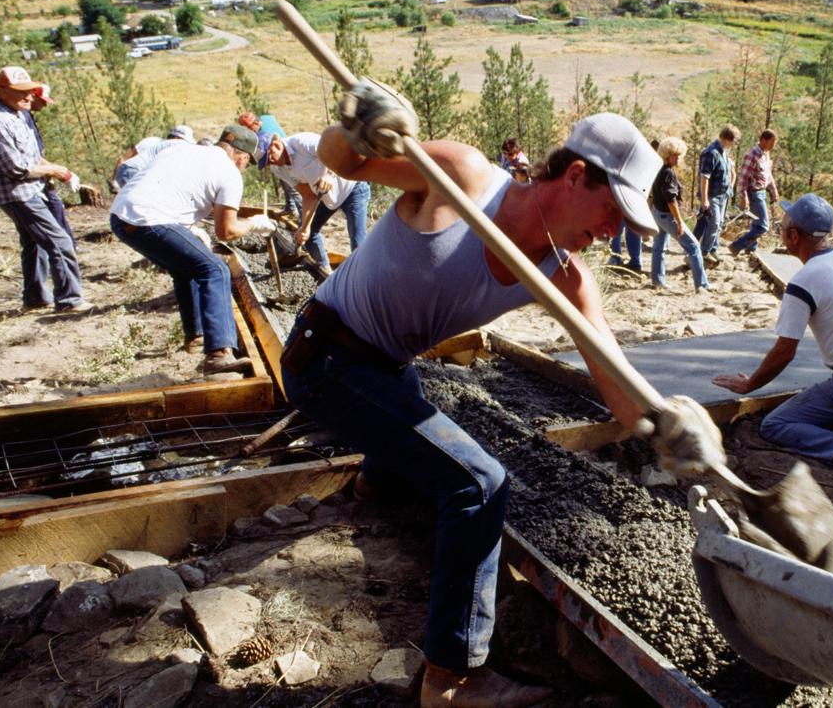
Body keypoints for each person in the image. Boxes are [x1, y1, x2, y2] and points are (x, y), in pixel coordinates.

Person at [282, 87, 719, 707]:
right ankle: (452, 681)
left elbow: (617, 384)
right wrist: (355, 125)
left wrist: (669, 427)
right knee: (479, 483)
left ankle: (371, 488)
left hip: (385, 366)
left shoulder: (566, 276)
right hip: (324, 355)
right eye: (614, 210)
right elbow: (341, 163)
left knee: (413, 407)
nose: (613, 230)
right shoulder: (461, 177)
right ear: (574, 176)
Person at [712, 193, 833, 497]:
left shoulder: (802, 282)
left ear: (793, 236)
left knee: (776, 424)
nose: (779, 230)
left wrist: (750, 385)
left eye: (782, 226)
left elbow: (784, 351)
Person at [110, 124, 276, 374]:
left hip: (121, 216)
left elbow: (170, 188)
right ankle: (218, 354)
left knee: (184, 268)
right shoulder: (229, 173)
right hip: (149, 219)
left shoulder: (184, 150)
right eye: (247, 162)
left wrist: (187, 227)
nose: (244, 167)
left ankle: (195, 335)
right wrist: (254, 224)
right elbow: (226, 232)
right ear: (241, 155)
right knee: (215, 269)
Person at [0, 66, 90, 313]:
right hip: (15, 192)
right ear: (2, 90)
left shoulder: (19, 112)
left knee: (34, 242)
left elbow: (34, 156)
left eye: (29, 91)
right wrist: (57, 172)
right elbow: (16, 168)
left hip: (31, 187)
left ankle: (35, 298)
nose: (29, 97)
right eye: (21, 92)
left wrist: (57, 169)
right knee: (60, 242)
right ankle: (69, 300)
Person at [259, 131, 371, 274]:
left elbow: (336, 152)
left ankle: (363, 277)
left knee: (357, 238)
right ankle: (326, 272)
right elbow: (308, 196)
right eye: (267, 163)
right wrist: (305, 227)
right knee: (308, 232)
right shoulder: (279, 169)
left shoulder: (303, 142)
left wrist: (329, 174)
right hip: (326, 196)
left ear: (276, 145)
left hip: (352, 187)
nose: (271, 163)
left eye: (270, 157)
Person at [649, 137, 708, 293]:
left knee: (659, 247)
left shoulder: (659, 168)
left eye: (678, 155)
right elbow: (671, 200)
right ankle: (701, 285)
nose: (678, 158)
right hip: (667, 216)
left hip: (658, 213)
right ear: (667, 155)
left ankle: (657, 281)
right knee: (694, 247)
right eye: (675, 155)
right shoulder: (668, 172)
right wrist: (680, 221)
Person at [25, 83, 77, 247]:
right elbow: (31, 158)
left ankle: (67, 246)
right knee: (53, 207)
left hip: (42, 172)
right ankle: (65, 247)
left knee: (55, 206)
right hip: (34, 177)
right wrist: (56, 172)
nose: (45, 104)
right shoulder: (21, 117)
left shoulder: (27, 116)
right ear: (32, 96)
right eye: (42, 100)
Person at [691, 124, 739, 268]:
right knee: (714, 224)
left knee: (718, 226)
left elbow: (729, 172)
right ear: (727, 139)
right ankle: (704, 252)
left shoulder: (724, 152)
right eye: (733, 141)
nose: (734, 145)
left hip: (723, 195)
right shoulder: (711, 153)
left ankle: (711, 249)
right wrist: (705, 199)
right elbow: (704, 177)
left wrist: (730, 187)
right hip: (712, 196)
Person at [240, 111, 301, 218]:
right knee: (285, 183)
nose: (249, 132)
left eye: (249, 128)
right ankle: (290, 208)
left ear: (256, 123)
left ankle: (303, 217)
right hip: (283, 152)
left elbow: (257, 156)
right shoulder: (265, 118)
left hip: (283, 157)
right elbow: (270, 117)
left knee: (292, 188)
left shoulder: (263, 136)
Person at [729, 129, 779, 256]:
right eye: (771, 142)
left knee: (757, 223)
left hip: (762, 192)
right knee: (763, 226)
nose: (773, 146)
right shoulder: (752, 155)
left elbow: (768, 175)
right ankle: (736, 246)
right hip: (754, 193)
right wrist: (743, 196)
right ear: (763, 140)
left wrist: (774, 191)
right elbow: (743, 178)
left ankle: (751, 250)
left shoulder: (765, 154)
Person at [112, 124, 195, 190]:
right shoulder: (163, 146)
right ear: (177, 138)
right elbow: (124, 159)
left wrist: (115, 181)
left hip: (128, 172)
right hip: (134, 172)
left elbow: (123, 159)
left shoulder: (152, 141)